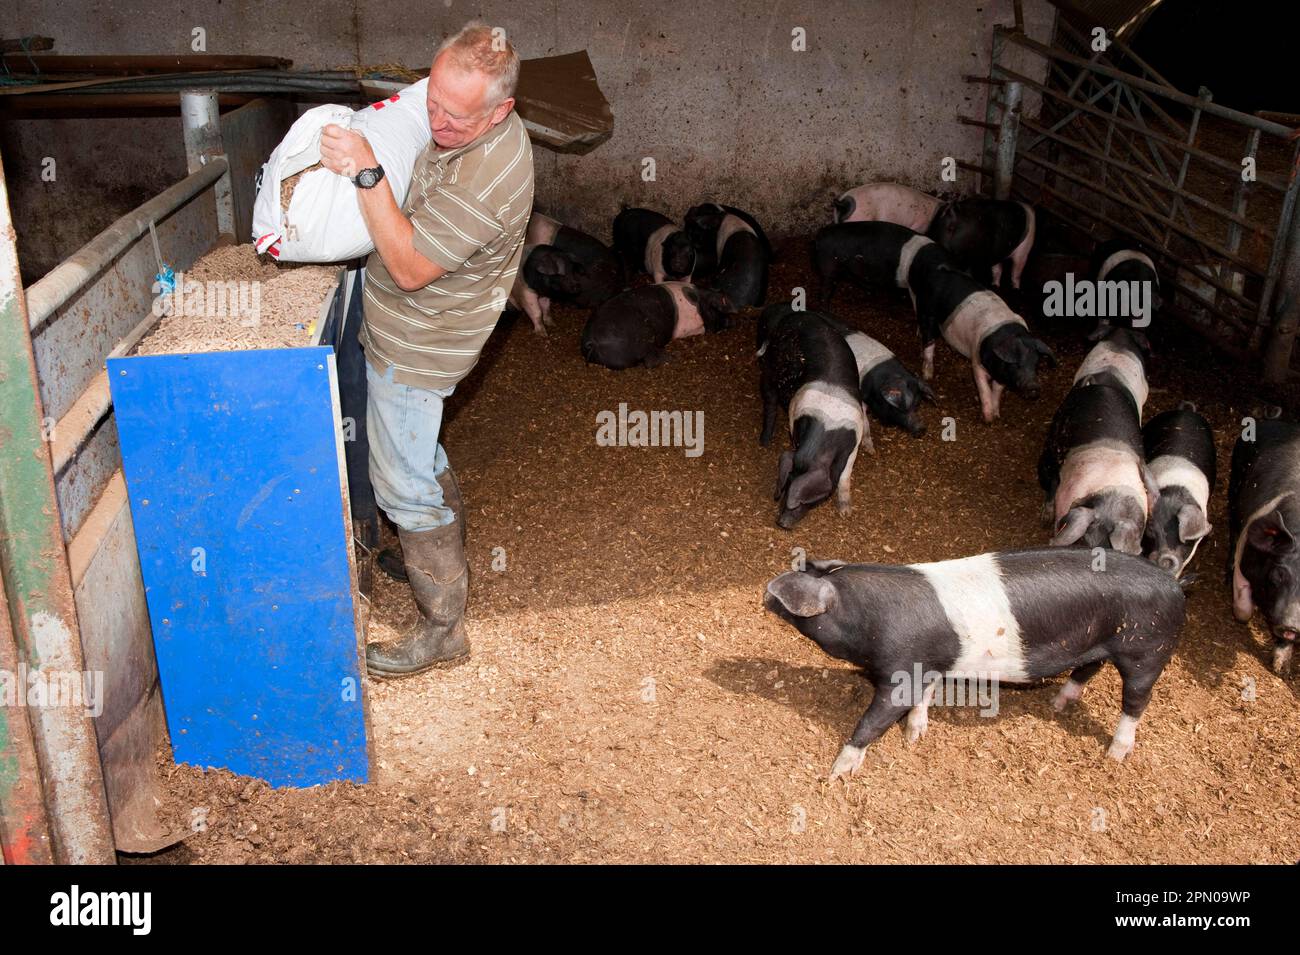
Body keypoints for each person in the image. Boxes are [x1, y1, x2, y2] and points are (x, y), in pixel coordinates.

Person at [319, 21, 534, 676]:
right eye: (432, 101)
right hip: (416, 328)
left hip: (420, 344)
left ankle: (443, 628)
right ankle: (431, 551)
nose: (436, 120)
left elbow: (410, 266)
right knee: (421, 451)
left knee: (402, 480)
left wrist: (365, 171)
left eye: (456, 115)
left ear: (502, 111)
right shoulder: (467, 121)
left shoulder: (488, 176)